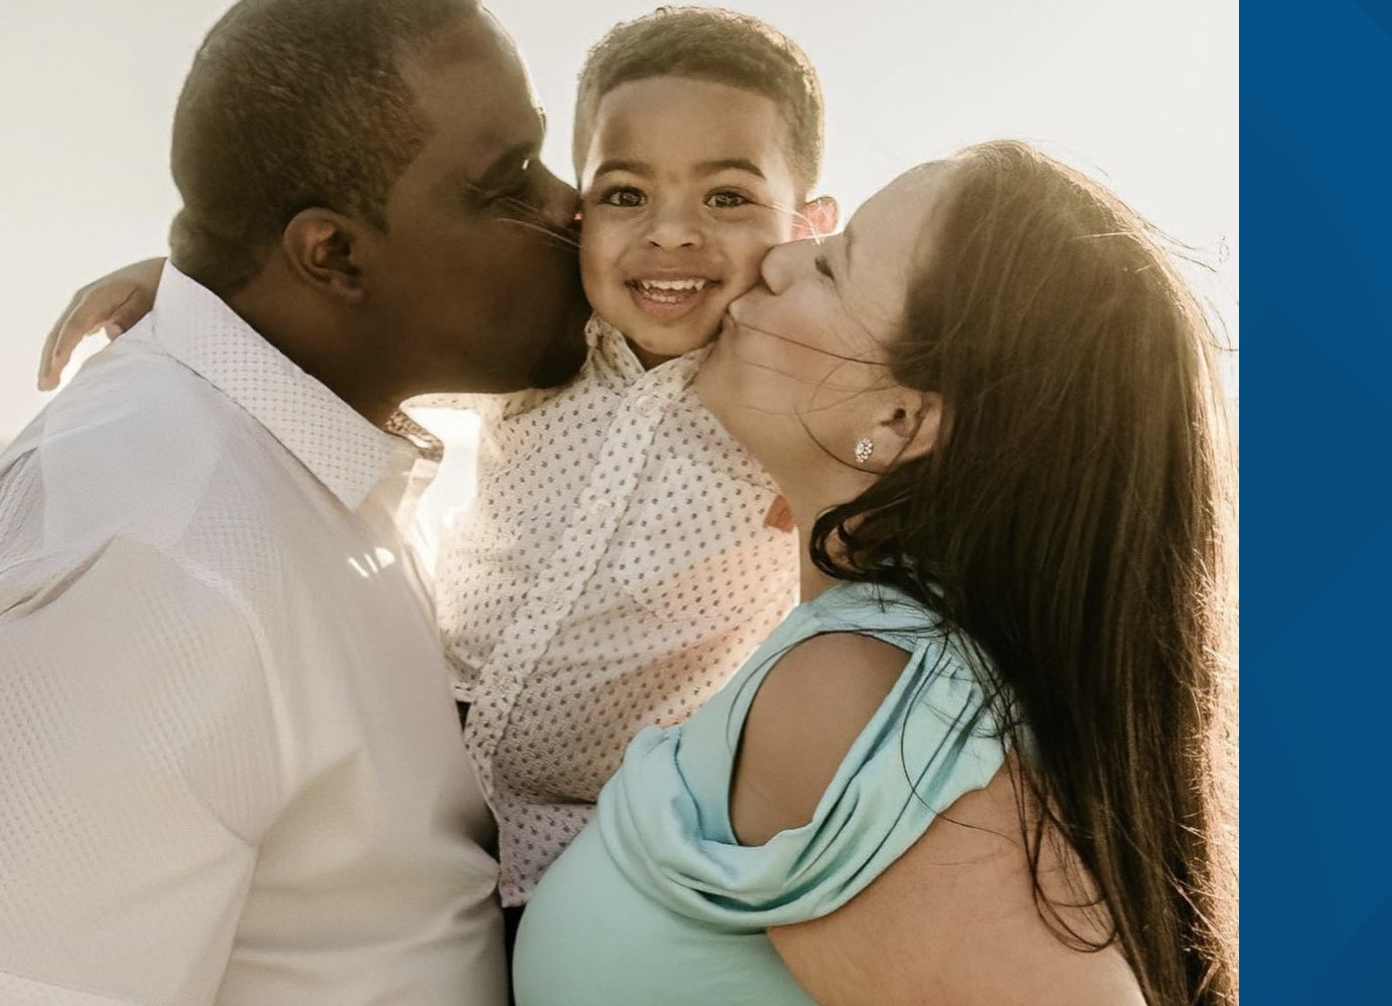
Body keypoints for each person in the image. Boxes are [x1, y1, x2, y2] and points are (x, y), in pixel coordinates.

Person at [38, 7, 841, 913]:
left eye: (726, 198)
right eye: (625, 194)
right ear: (581, 206)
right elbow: (336, 331)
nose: (671, 234)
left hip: (615, 839)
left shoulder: (801, 396)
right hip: (430, 778)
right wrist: (192, 285)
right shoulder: (544, 346)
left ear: (809, 223)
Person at [0, 0, 588, 1005]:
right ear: (332, 254)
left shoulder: (309, 451)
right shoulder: (159, 554)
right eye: (509, 179)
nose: (571, 206)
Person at [513, 142, 1238, 1005]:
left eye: (831, 265)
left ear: (898, 419)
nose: (779, 258)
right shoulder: (894, 676)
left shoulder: (851, 695)